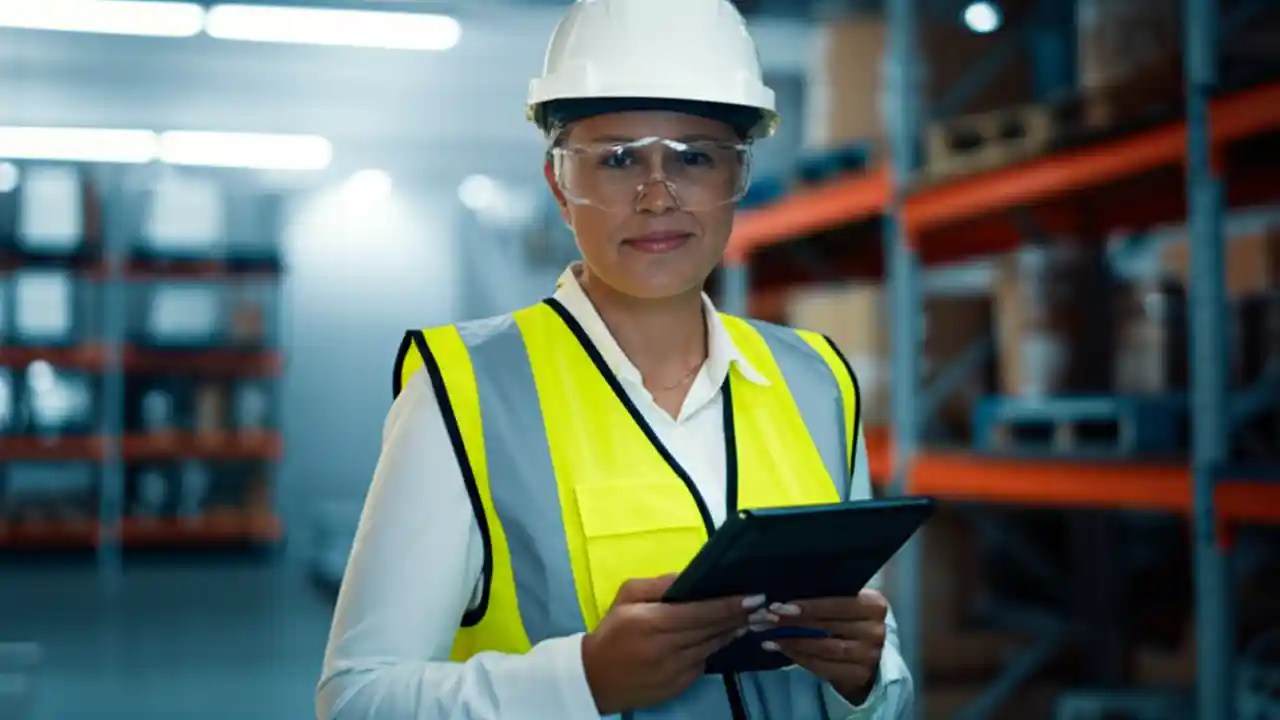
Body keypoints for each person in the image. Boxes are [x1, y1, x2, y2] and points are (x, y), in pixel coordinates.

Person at [317, 0, 913, 717]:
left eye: (694, 157)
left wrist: (867, 680)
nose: (657, 196)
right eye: (618, 158)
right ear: (560, 185)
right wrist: (582, 680)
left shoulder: (815, 381)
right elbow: (358, 700)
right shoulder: (466, 392)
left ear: (739, 176)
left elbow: (883, 672)